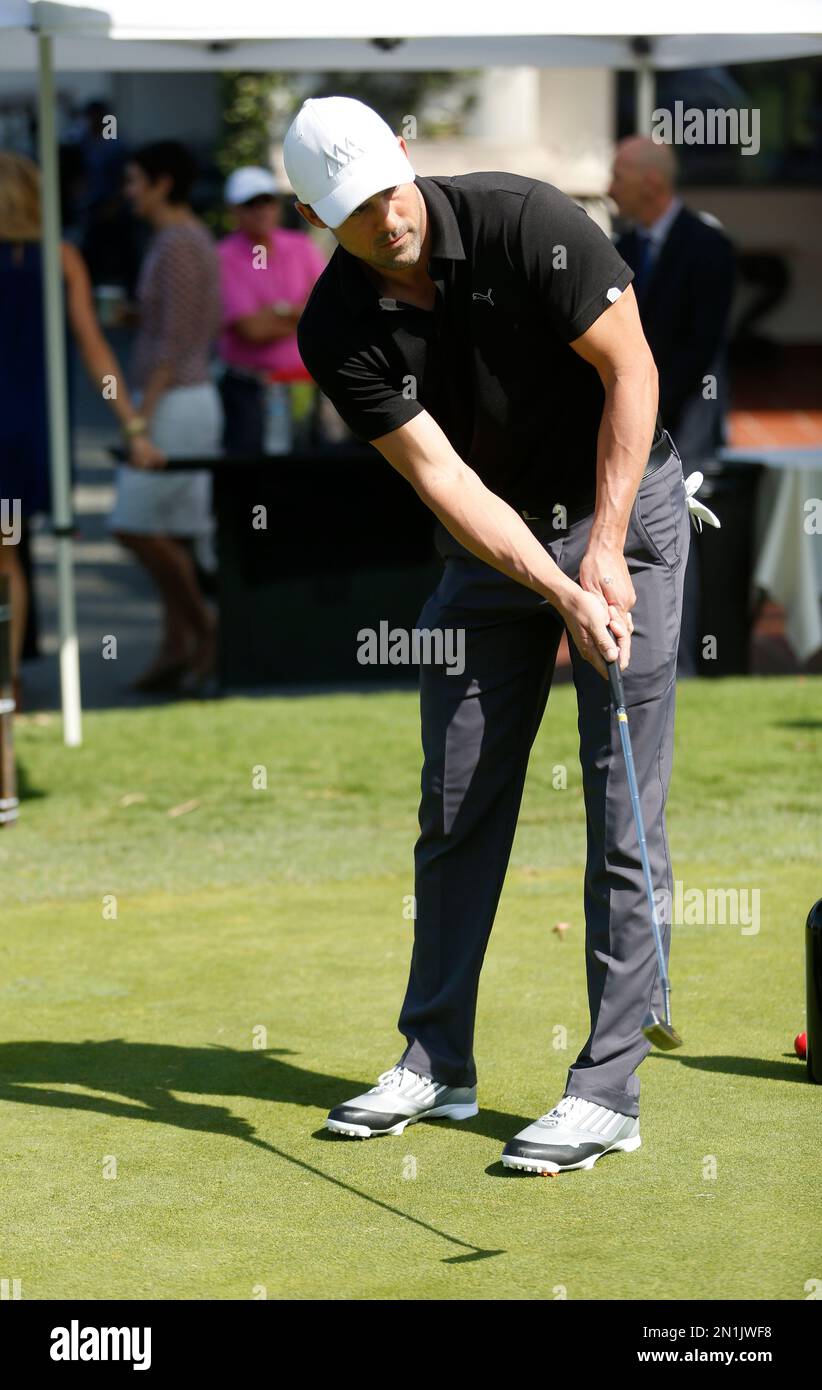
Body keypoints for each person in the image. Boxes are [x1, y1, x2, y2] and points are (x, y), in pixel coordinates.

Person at [284, 96, 701, 1176]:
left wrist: (602, 553)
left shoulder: (527, 223)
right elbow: (446, 482)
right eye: (352, 210)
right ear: (313, 215)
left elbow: (635, 371)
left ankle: (608, 1088)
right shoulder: (335, 326)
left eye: (387, 188)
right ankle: (437, 1061)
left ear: (407, 155)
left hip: (627, 511)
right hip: (492, 542)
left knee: (619, 799)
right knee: (458, 793)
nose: (384, 218)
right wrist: (557, 590)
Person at [0, 150, 163, 713]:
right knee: (7, 554)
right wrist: (132, 423)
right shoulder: (60, 257)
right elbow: (96, 349)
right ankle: (9, 679)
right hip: (29, 435)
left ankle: (7, 679)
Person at [609, 136, 736, 675]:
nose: (610, 188)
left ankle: (682, 663)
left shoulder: (708, 245)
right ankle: (642, 658)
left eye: (618, 175)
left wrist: (640, 401)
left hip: (687, 422)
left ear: (651, 182)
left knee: (684, 539)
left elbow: (700, 345)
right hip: (639, 417)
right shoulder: (623, 247)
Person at [108, 141, 223, 696]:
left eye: (135, 180)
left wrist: (139, 420)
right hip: (181, 397)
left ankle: (206, 631)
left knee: (135, 524)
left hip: (174, 402)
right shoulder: (184, 239)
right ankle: (178, 647)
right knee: (169, 530)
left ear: (161, 184)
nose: (129, 190)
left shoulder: (178, 242)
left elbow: (176, 342)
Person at [216, 165, 327, 455]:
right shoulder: (224, 256)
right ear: (234, 211)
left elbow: (328, 311)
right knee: (253, 474)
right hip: (249, 391)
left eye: (266, 200)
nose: (261, 210)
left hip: (304, 387)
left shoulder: (301, 246)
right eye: (250, 204)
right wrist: (298, 315)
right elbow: (251, 330)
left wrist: (277, 312)